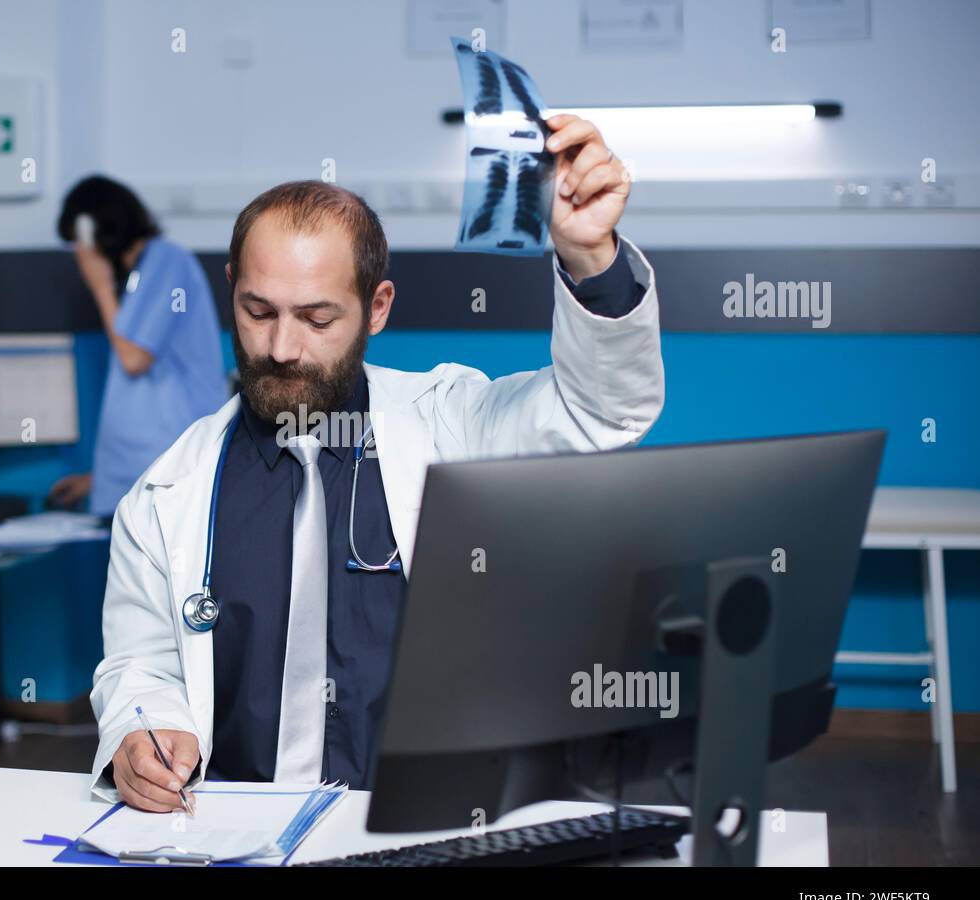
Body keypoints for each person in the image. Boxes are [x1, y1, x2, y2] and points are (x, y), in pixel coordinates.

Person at [90, 115, 664, 809]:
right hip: (236, 832)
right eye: (257, 310)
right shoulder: (165, 495)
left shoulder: (453, 422)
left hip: (429, 823)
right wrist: (144, 731)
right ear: (231, 288)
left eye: (318, 318)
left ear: (378, 307)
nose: (281, 347)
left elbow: (598, 417)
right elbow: (140, 664)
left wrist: (590, 258)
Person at [49, 176, 229, 518]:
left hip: (176, 482)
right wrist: (97, 480)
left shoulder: (168, 261)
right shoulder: (139, 278)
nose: (77, 256)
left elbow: (134, 359)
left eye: (78, 244)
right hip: (144, 479)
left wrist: (100, 284)